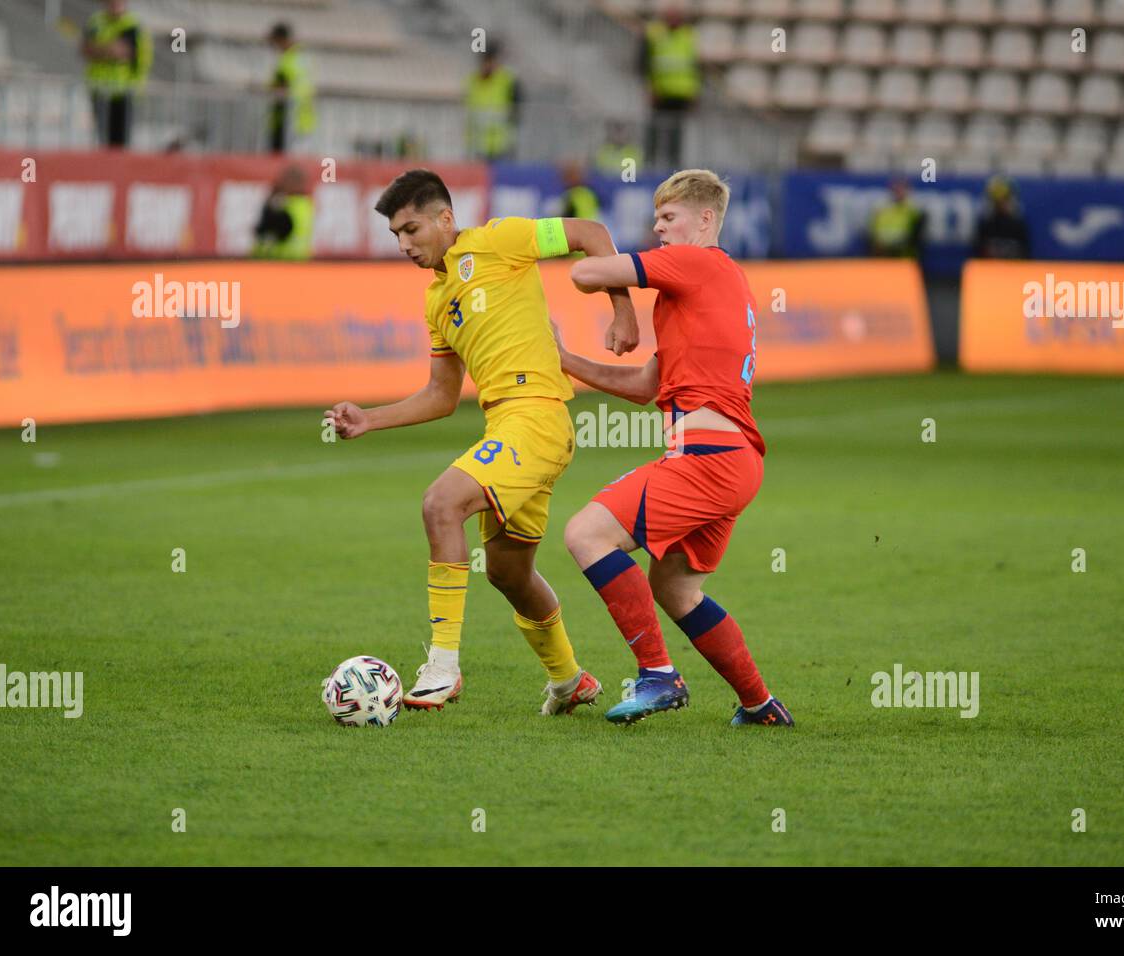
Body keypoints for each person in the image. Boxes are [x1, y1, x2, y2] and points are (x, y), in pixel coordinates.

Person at [325, 169, 634, 715]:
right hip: (507, 428)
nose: (404, 244)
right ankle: (569, 681)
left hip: (537, 418)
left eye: (412, 229)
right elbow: (442, 396)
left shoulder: (497, 240)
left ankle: (442, 666)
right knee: (508, 573)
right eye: (396, 235)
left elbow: (589, 230)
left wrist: (622, 310)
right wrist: (369, 420)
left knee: (441, 502)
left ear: (446, 218)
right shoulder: (437, 301)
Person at [553, 169, 793, 728]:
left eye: (669, 218)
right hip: (734, 461)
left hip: (706, 459)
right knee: (677, 587)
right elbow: (644, 387)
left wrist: (623, 307)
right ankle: (760, 705)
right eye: (656, 218)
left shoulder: (696, 262)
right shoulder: (716, 283)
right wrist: (566, 360)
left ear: (705, 220)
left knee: (585, 533)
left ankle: (658, 675)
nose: (658, 228)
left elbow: (585, 270)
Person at [80, 0, 152, 148]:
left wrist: (99, 49)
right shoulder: (96, 21)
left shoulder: (131, 25)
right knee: (102, 141)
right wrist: (110, 50)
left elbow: (123, 51)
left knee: (121, 144)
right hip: (100, 90)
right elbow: (85, 49)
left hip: (124, 91)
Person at [641, 7, 700, 169]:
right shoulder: (655, 34)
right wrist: (650, 87)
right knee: (655, 128)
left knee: (677, 133)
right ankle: (650, 163)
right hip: (660, 92)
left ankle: (674, 166)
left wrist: (694, 92)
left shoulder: (687, 35)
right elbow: (646, 63)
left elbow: (694, 66)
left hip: (682, 92)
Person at [267, 22, 316, 154]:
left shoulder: (285, 62)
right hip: (304, 118)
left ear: (281, 39)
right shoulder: (302, 58)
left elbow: (279, 89)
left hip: (287, 121)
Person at [465, 49, 520, 161]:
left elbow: (517, 98)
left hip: (500, 141)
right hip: (478, 140)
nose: (488, 66)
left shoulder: (505, 79)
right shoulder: (473, 80)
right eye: (486, 62)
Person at [251, 165, 313, 260]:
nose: (279, 183)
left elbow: (269, 229)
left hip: (279, 261)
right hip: (299, 262)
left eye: (283, 180)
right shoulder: (306, 205)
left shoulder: (284, 205)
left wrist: (270, 202)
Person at [973, 176, 1031, 259]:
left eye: (1004, 199)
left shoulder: (1018, 227)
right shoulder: (986, 227)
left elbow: (1026, 257)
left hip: (1013, 270)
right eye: (997, 201)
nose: (1000, 204)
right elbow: (978, 256)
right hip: (990, 270)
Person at [868, 177, 925, 258]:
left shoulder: (914, 210)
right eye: (896, 190)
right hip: (884, 254)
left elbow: (917, 233)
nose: (899, 192)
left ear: (908, 191)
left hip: (905, 255)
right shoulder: (882, 210)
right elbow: (874, 232)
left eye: (902, 189)